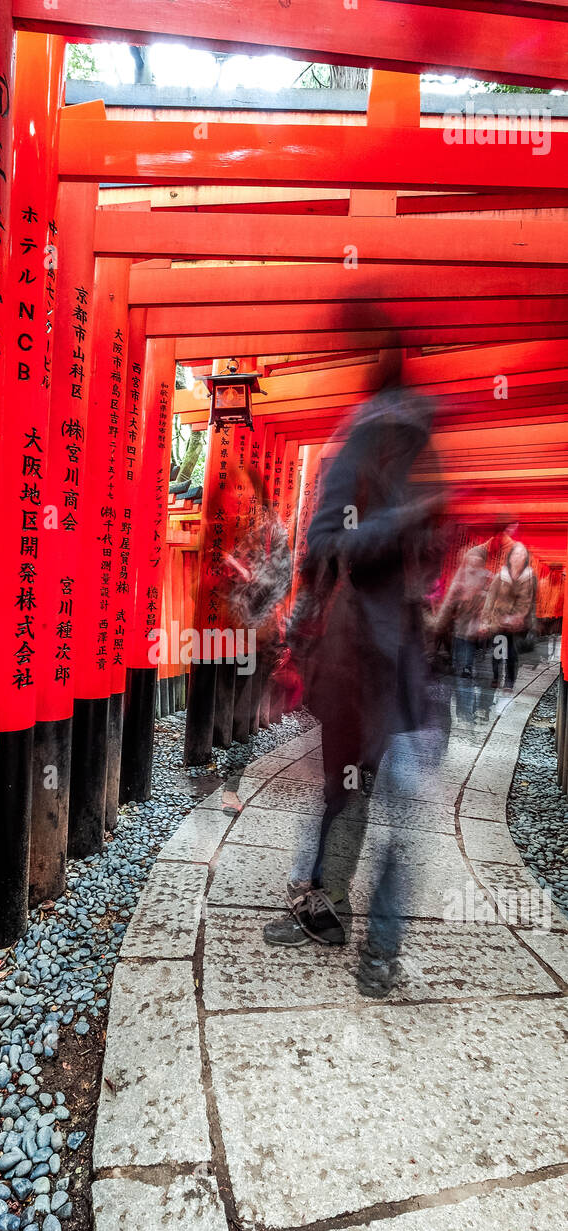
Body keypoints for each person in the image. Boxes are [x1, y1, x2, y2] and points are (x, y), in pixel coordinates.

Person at [263, 373, 446, 997]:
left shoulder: (423, 465)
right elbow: (327, 546)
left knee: (388, 801)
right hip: (360, 661)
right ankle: (329, 914)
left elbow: (428, 566)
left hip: (398, 671)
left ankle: (377, 942)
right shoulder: (363, 459)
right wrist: (397, 523)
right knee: (352, 794)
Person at [479, 541, 536, 690]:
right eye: (516, 553)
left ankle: (509, 681)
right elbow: (490, 599)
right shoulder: (500, 576)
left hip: (517, 624)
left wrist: (519, 618)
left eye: (523, 554)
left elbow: (528, 602)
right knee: (498, 651)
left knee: (511, 653)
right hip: (498, 621)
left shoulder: (529, 578)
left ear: (526, 558)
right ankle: (496, 677)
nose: (519, 557)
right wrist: (485, 620)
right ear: (510, 557)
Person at [434, 543, 490, 678]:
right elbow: (451, 595)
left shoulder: (487, 575)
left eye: (478, 557)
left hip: (475, 615)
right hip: (460, 614)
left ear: (482, 560)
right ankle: (456, 664)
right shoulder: (462, 573)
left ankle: (467, 667)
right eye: (473, 556)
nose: (475, 559)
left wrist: (480, 595)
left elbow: (491, 594)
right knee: (458, 640)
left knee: (469, 642)